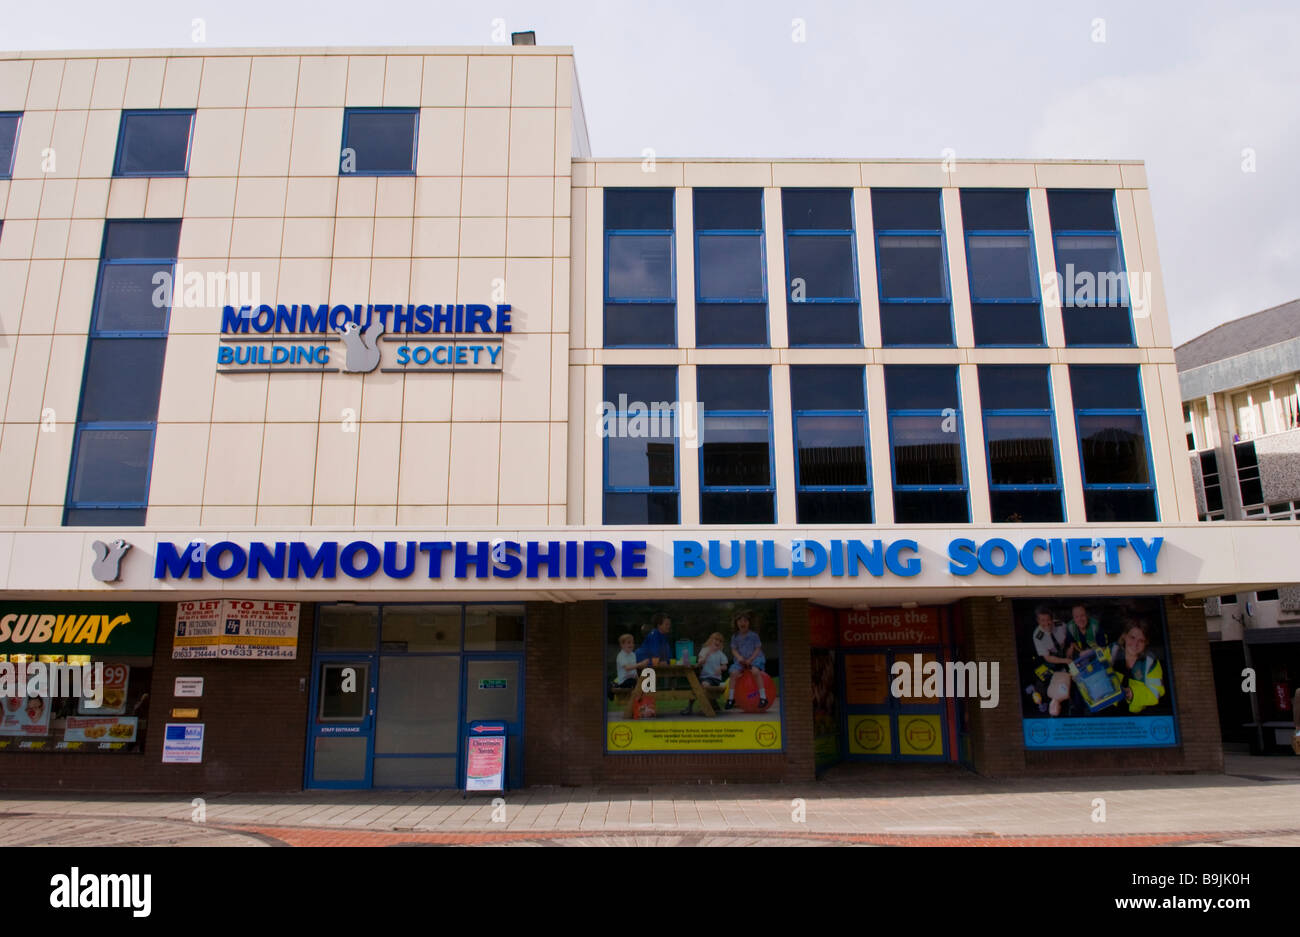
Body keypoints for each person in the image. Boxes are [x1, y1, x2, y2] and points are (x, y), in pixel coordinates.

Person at [1109, 619, 1165, 714]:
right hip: (1108, 711)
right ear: (1125, 636)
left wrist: (1131, 693)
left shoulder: (1150, 663)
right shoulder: (1112, 652)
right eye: (1132, 637)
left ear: (1146, 642)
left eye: (1141, 640)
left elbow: (1155, 693)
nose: (1135, 644)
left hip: (1136, 717)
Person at [726, 611, 767, 710]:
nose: (742, 623)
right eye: (740, 621)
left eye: (745, 621)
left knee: (755, 671)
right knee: (733, 673)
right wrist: (739, 657)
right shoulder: (735, 637)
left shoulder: (753, 635)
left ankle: (763, 697)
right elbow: (734, 649)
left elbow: (758, 648)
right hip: (741, 660)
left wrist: (751, 659)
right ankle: (731, 699)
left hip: (754, 658)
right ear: (736, 623)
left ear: (749, 623)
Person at [683, 632, 728, 715]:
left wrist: (720, 668)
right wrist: (707, 655)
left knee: (704, 685)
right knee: (695, 685)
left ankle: (706, 706)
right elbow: (699, 662)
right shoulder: (704, 650)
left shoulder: (720, 654)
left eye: (720, 641)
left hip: (715, 678)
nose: (717, 642)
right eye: (716, 639)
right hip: (704, 677)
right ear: (710, 640)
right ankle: (690, 706)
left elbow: (725, 666)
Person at [608, 633, 638, 701]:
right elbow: (627, 668)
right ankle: (614, 686)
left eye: (632, 642)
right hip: (624, 681)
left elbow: (634, 671)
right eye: (629, 643)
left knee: (641, 682)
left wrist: (638, 679)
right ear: (622, 645)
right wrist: (640, 664)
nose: (631, 644)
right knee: (632, 682)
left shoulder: (633, 655)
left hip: (632, 680)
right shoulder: (621, 656)